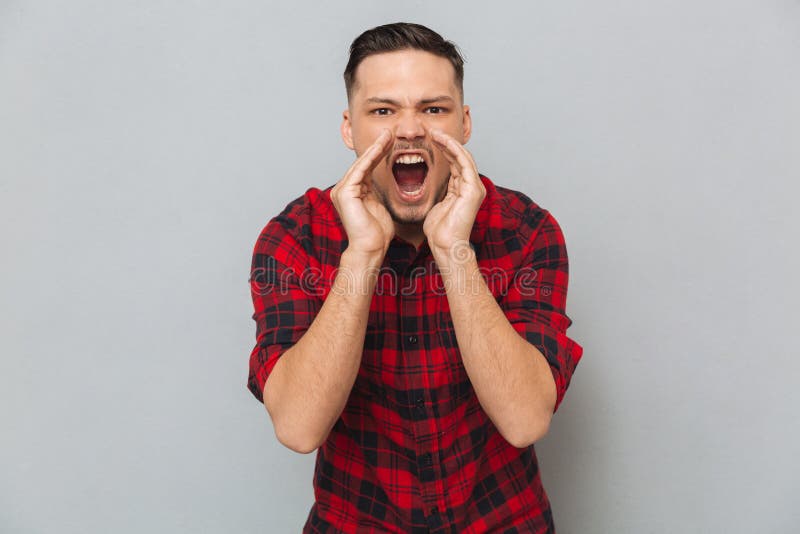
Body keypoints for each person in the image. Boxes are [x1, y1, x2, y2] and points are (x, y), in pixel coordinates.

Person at [247, 22, 583, 533]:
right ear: (348, 128)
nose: (409, 129)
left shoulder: (527, 231)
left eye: (433, 108)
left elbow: (525, 420)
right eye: (383, 110)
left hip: (504, 522)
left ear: (464, 123)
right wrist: (361, 255)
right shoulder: (294, 238)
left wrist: (454, 251)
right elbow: (298, 426)